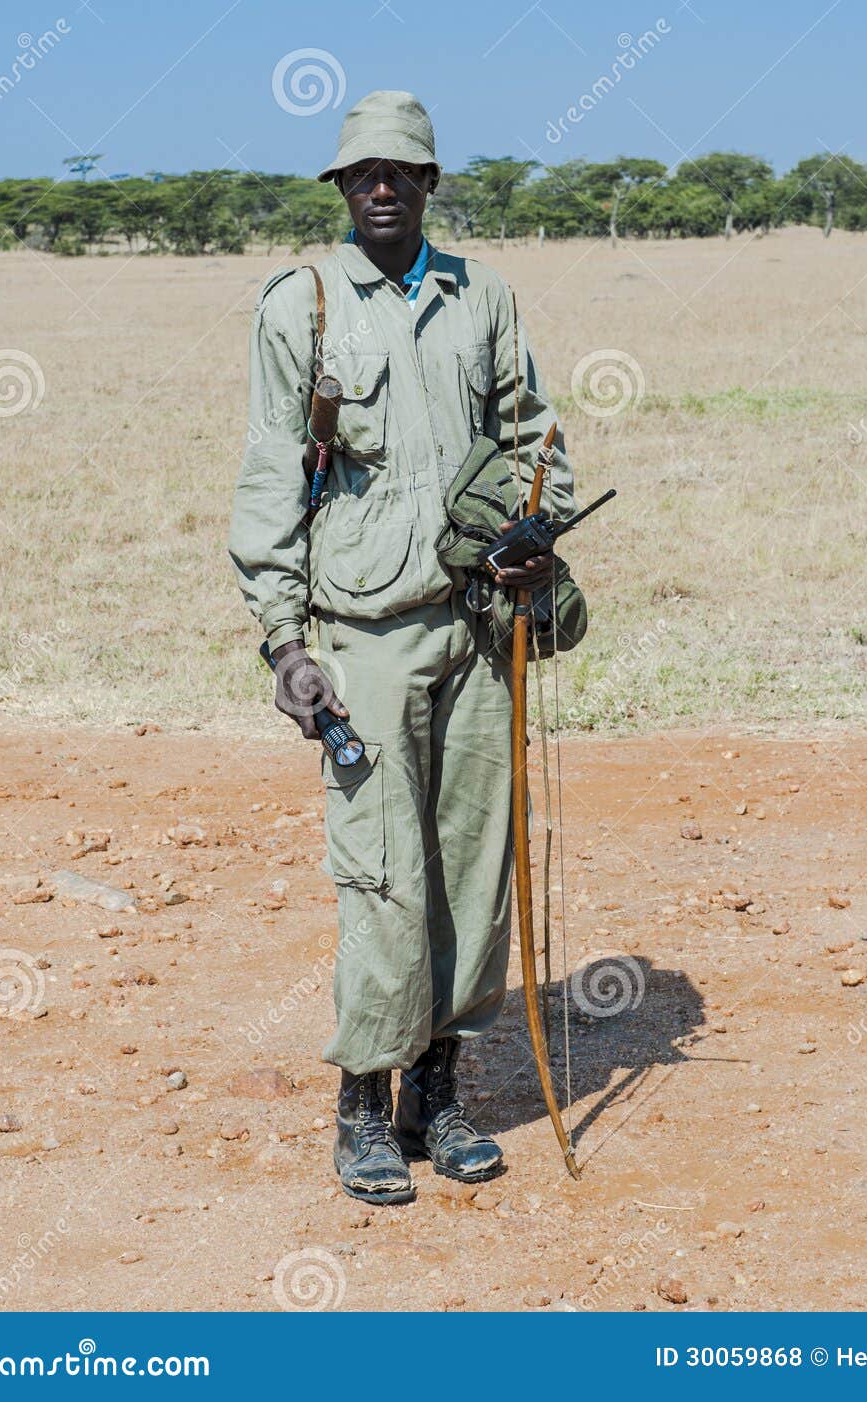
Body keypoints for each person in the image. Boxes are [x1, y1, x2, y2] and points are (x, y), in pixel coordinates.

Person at [229, 90, 577, 1204]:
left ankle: (441, 1091)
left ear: (430, 183)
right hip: (366, 640)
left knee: (473, 865)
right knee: (382, 872)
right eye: (364, 172)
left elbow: (535, 440)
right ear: (341, 188)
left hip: (479, 628)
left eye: (405, 171)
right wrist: (286, 641)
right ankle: (363, 1111)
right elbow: (271, 475)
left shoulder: (486, 298)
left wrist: (536, 533)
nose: (384, 186)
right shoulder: (306, 307)